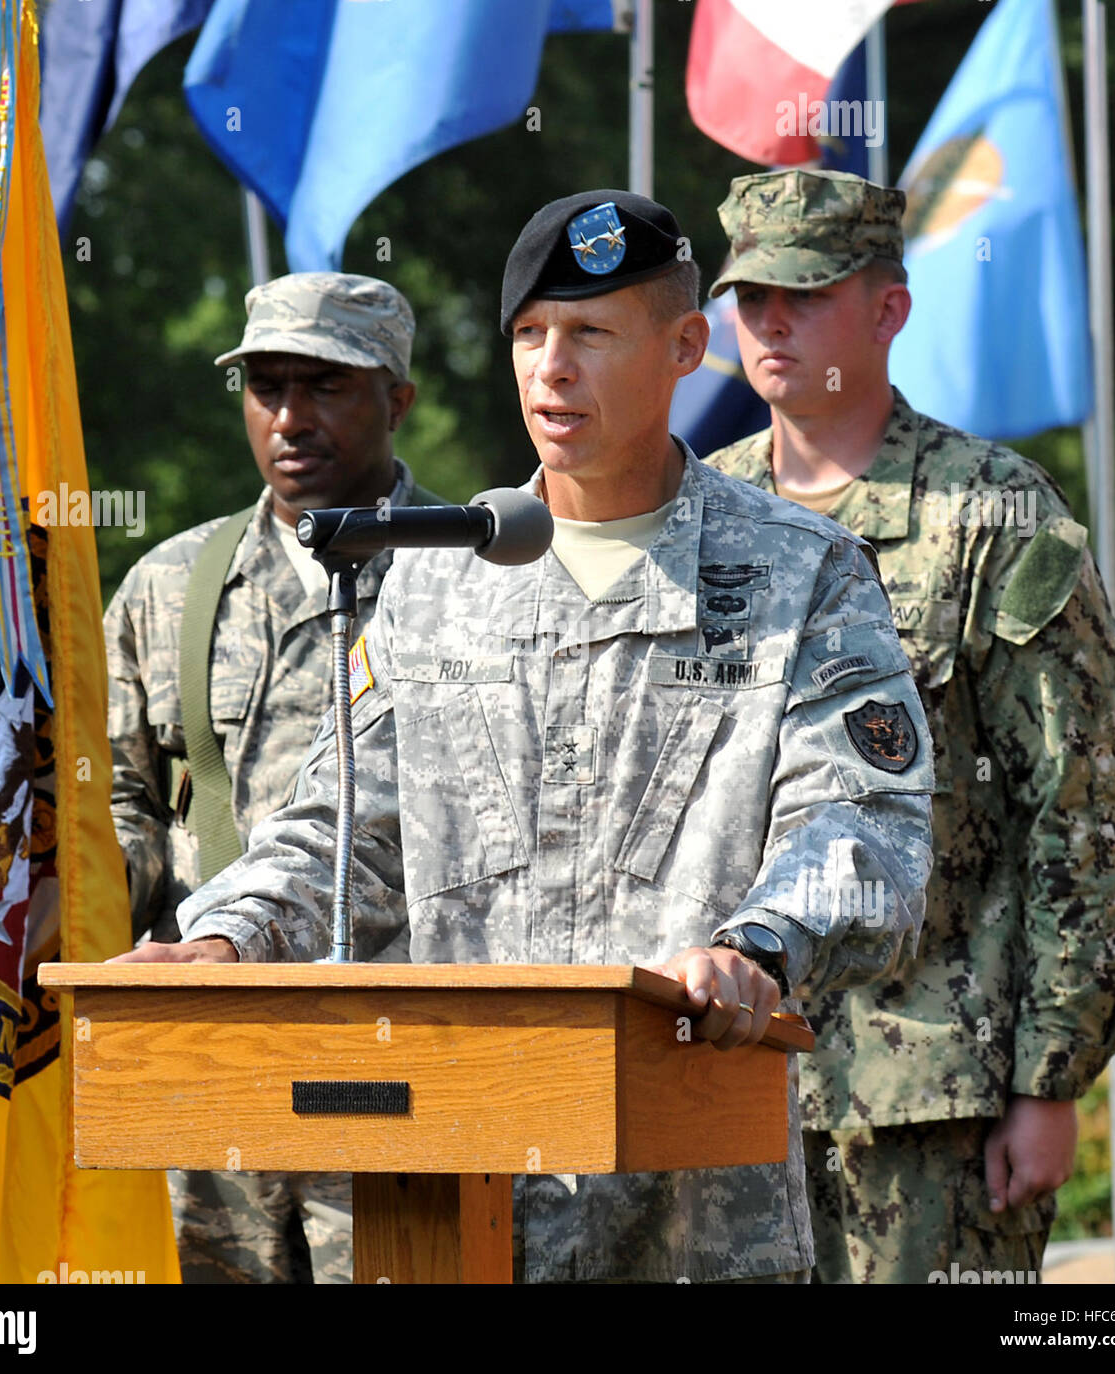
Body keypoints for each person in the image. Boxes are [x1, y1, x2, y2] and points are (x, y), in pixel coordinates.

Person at [117, 190, 937, 1283]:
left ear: (687, 346)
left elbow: (864, 824)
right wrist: (225, 937)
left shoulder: (801, 574)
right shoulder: (438, 579)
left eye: (591, 333)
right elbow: (342, 829)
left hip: (691, 1207)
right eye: (529, 334)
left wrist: (757, 950)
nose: (551, 368)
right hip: (458, 1186)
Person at [704, 168, 1115, 1284]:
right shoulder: (695, 519)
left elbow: (1085, 815)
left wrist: (1045, 1081)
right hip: (721, 1086)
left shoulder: (993, 516)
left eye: (804, 296)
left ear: (887, 309)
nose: (771, 323)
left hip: (926, 1108)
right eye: (751, 296)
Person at [104, 271, 442, 1283]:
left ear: (397, 399)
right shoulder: (171, 587)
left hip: (403, 1066)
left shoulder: (473, 576)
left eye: (324, 386)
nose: (289, 418)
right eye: (265, 387)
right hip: (212, 1066)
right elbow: (119, 796)